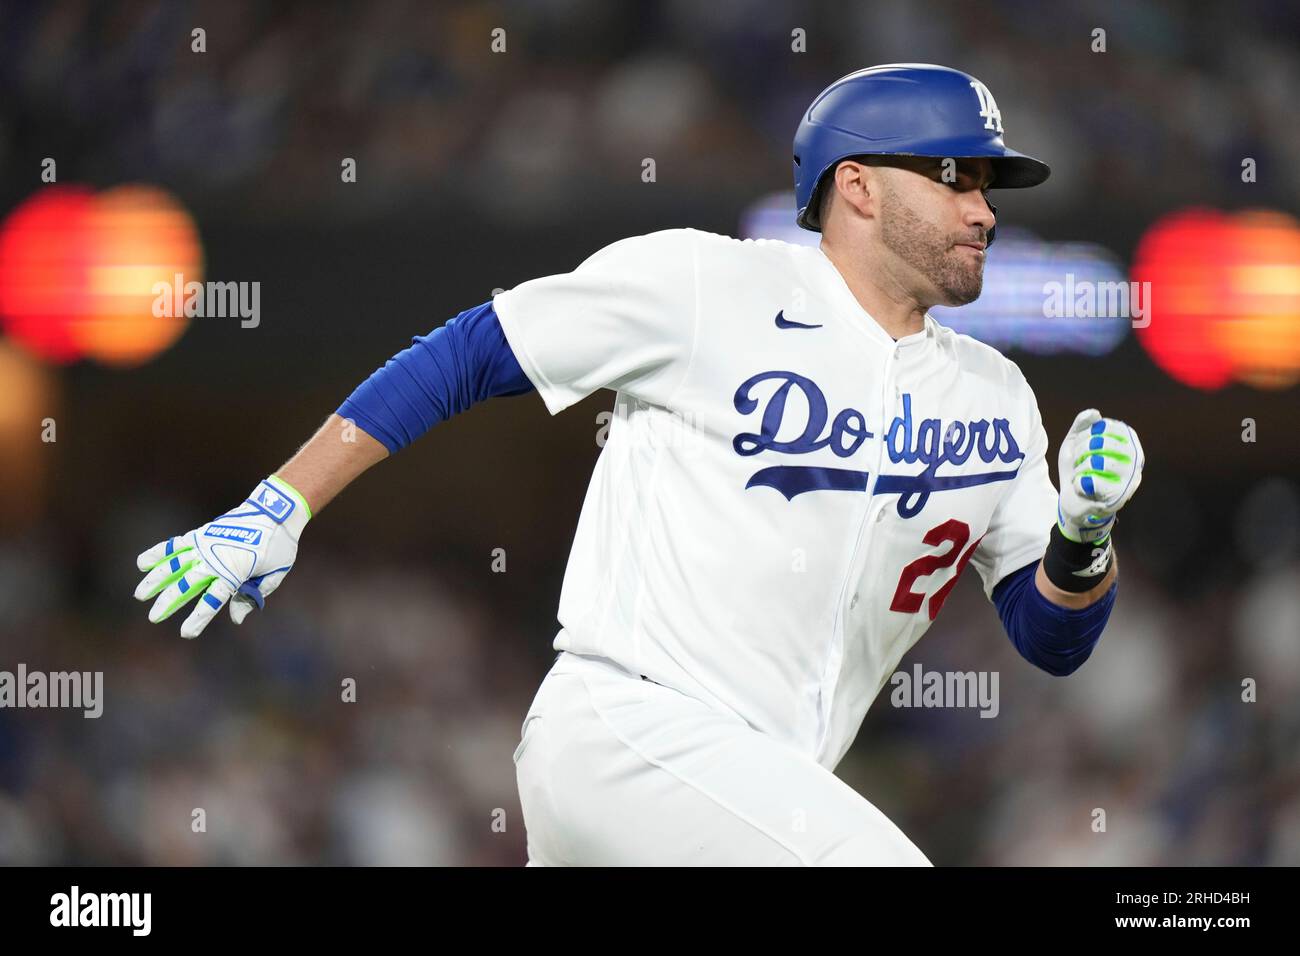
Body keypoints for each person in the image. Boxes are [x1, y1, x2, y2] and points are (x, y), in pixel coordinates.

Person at [133, 64, 1143, 865]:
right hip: (627, 729)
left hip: (749, 793)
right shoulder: (707, 282)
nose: (983, 209)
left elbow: (1049, 636)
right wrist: (279, 504)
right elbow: (468, 352)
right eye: (956, 175)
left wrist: (1084, 533)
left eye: (989, 183)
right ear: (858, 187)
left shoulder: (995, 393)